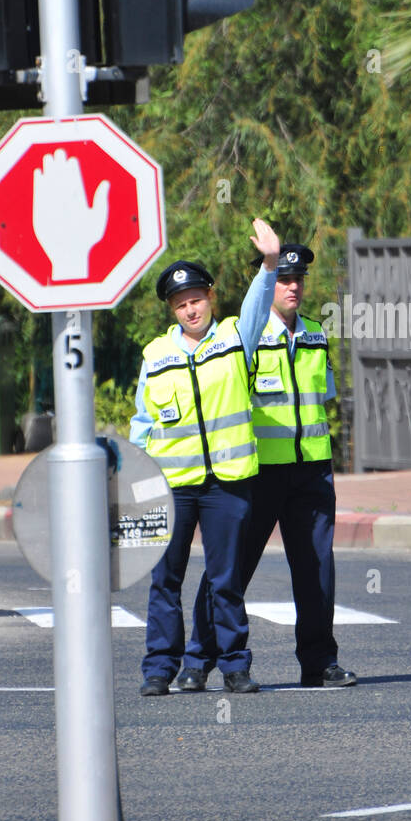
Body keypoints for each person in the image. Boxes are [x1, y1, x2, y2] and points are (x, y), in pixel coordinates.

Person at [192, 243, 357, 688]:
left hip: (311, 471)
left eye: (299, 279)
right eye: (284, 279)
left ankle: (319, 661)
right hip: (257, 473)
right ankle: (197, 660)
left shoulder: (315, 335)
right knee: (231, 570)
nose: (293, 287)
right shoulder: (242, 337)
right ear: (268, 285)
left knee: (317, 569)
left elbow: (321, 399)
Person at [130, 218, 280, 696]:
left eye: (196, 299)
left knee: (226, 580)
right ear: (172, 311)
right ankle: (159, 669)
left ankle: (235, 665)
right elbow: (142, 423)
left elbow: (259, 302)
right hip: (171, 486)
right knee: (165, 579)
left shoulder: (236, 336)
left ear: (210, 298)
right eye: (180, 304)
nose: (190, 309)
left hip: (227, 484)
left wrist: (271, 263)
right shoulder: (155, 355)